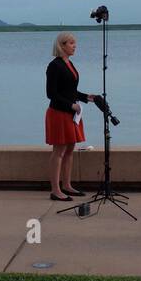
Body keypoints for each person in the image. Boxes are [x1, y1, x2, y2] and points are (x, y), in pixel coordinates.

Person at [45, 32, 98, 202]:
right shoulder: (54, 66)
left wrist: (85, 97)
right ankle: (55, 190)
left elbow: (70, 90)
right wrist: (70, 105)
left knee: (70, 150)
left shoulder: (69, 64)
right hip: (59, 113)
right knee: (59, 151)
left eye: (75, 43)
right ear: (62, 45)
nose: (75, 46)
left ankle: (67, 185)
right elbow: (51, 93)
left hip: (72, 113)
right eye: (71, 43)